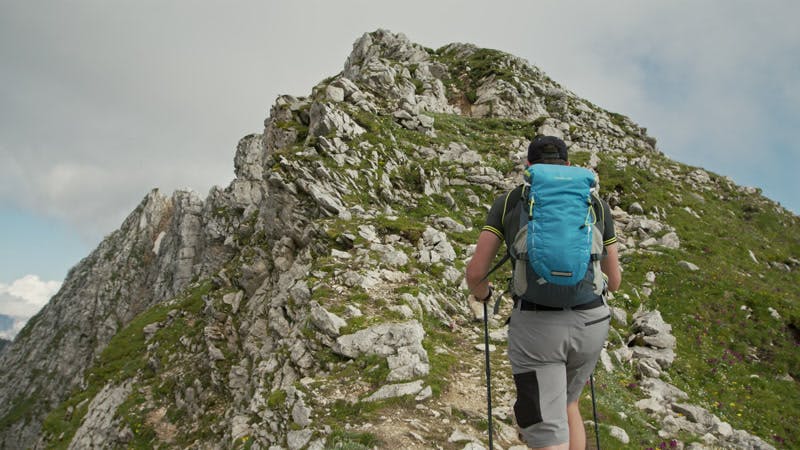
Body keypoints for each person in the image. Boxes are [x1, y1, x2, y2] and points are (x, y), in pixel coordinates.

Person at [466, 135, 621, 450]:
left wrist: (482, 294)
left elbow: (476, 272)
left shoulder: (510, 201)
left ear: (529, 166)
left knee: (545, 428)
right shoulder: (595, 205)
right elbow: (614, 281)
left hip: (537, 327)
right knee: (568, 402)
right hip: (592, 322)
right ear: (567, 165)